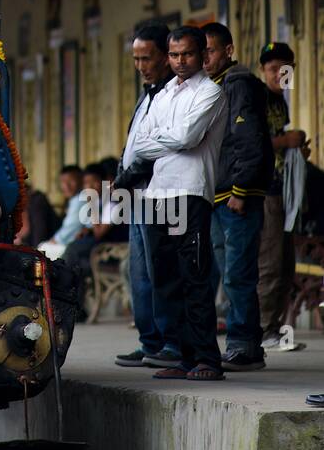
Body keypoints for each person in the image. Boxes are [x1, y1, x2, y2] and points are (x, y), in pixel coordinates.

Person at [126, 26, 228, 380]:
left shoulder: (211, 93)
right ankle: (182, 358)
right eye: (174, 55)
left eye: (187, 54)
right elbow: (139, 143)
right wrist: (170, 141)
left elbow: (187, 137)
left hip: (190, 193)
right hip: (157, 193)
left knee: (194, 276)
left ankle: (206, 359)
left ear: (202, 55)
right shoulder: (165, 93)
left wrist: (164, 139)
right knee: (165, 280)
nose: (180, 62)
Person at [203, 22, 275, 371]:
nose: (204, 59)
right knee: (228, 274)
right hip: (218, 197)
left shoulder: (238, 84)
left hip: (236, 196)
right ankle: (238, 342)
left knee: (239, 274)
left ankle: (245, 346)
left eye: (210, 51)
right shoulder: (213, 86)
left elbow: (248, 140)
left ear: (228, 51)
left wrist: (242, 190)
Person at [113, 21, 181, 369]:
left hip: (158, 196)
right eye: (136, 59)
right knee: (139, 274)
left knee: (161, 273)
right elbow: (135, 142)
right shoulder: (148, 92)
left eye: (147, 58)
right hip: (136, 198)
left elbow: (160, 149)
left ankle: (171, 342)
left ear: (166, 57)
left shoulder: (174, 95)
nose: (141, 65)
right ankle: (150, 341)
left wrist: (126, 177)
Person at [259, 42, 309, 348]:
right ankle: (263, 329)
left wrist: (296, 148)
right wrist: (285, 140)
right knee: (270, 262)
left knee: (285, 263)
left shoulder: (280, 101)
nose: (279, 74)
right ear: (262, 70)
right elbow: (252, 144)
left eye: (285, 68)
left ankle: (274, 328)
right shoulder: (258, 99)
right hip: (264, 190)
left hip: (283, 189)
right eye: (272, 68)